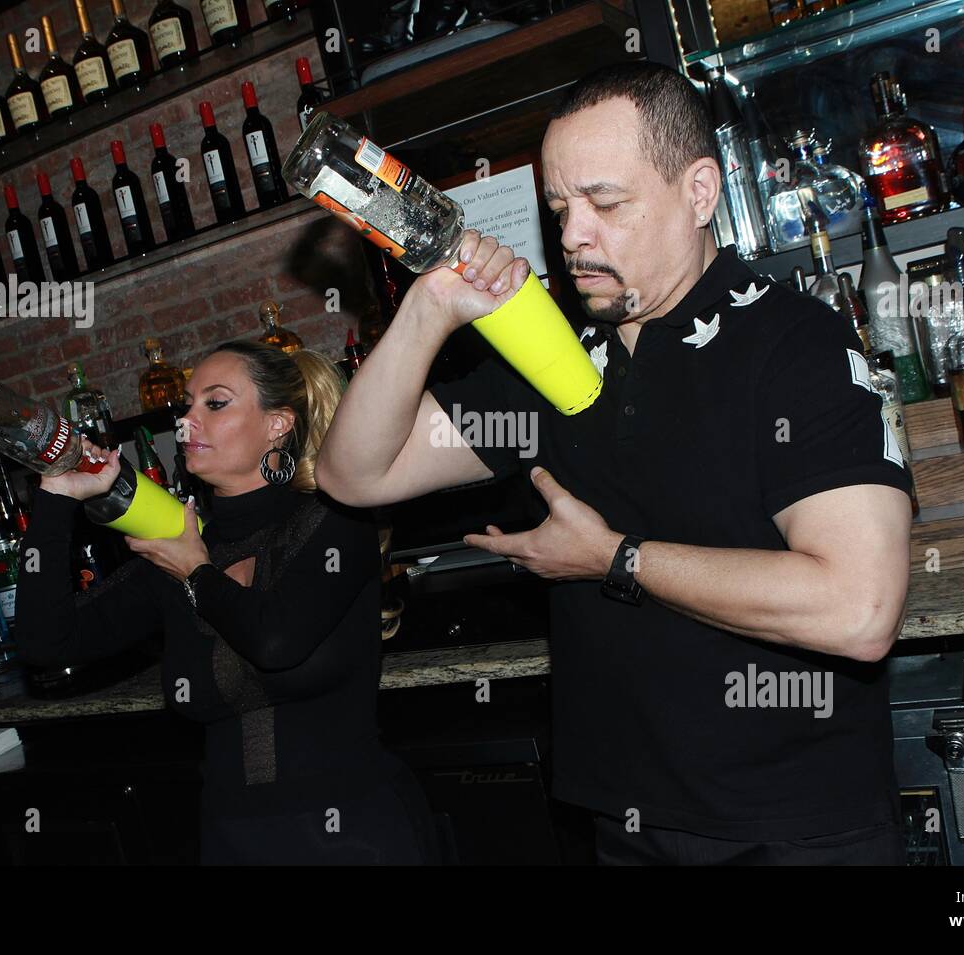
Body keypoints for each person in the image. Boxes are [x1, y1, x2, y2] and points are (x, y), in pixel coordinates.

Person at [315, 61, 913, 865]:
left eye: (606, 202)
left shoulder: (794, 343)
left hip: (791, 826)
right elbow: (354, 473)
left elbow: (858, 610)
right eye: (559, 208)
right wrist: (429, 306)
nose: (571, 237)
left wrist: (613, 559)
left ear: (700, 193)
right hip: (625, 821)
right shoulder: (554, 355)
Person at [16, 342, 438, 865]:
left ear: (278, 424)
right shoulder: (181, 547)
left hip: (353, 834)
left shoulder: (333, 523)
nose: (188, 422)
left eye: (215, 404)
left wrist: (197, 572)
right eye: (186, 407)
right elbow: (46, 643)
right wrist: (56, 499)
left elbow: (275, 641)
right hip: (232, 840)